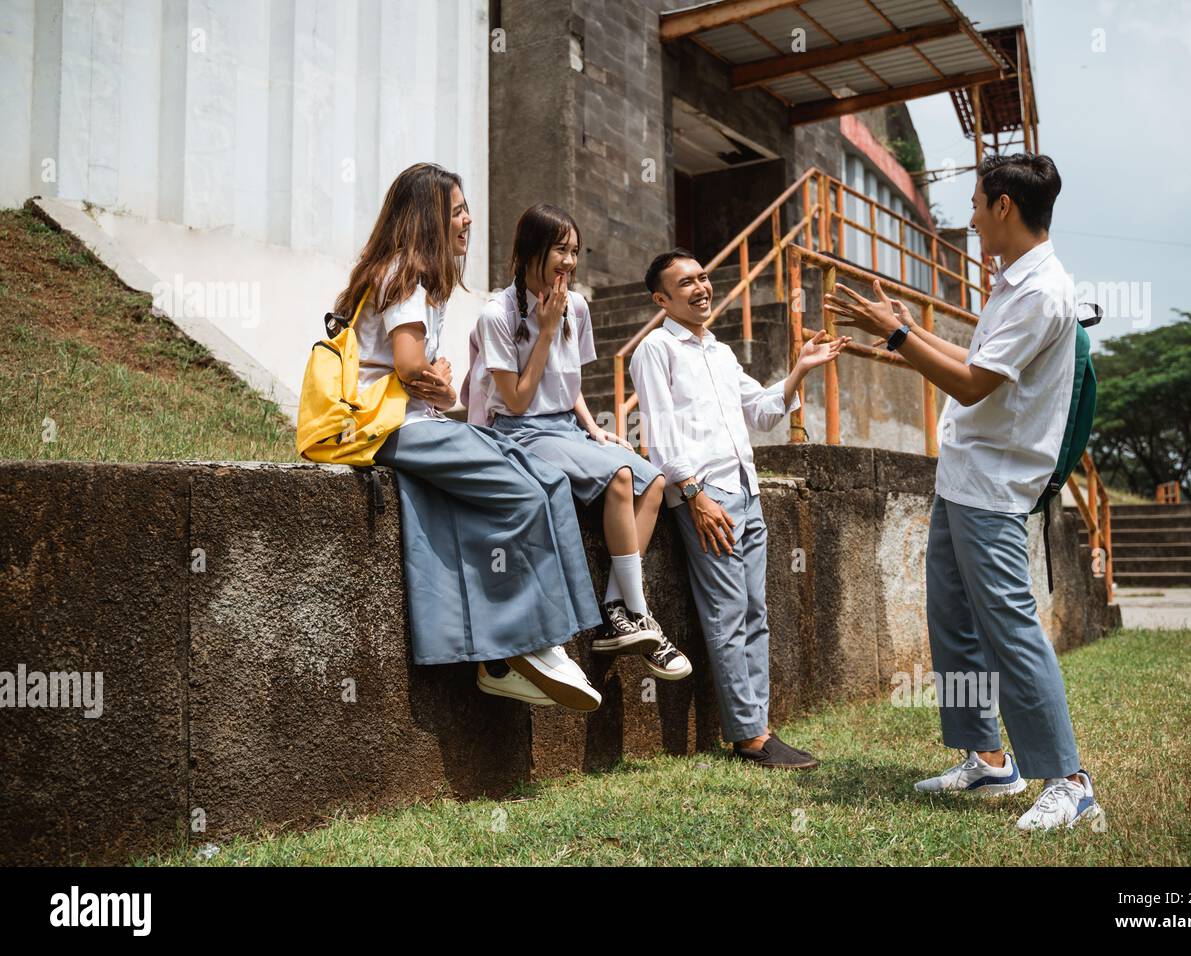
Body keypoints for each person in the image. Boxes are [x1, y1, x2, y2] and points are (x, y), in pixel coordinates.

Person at [823, 152, 1102, 830]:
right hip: (965, 473)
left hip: (998, 484)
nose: (972, 219)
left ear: (1003, 205)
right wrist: (909, 333)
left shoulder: (1041, 291)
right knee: (953, 623)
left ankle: (1068, 780)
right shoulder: (1014, 282)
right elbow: (978, 366)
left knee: (1009, 627)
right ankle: (988, 759)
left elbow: (974, 385)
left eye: (977, 205)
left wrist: (895, 333)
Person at [341, 162, 602, 712]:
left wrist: (434, 382)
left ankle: (525, 649)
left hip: (417, 423)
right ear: (430, 218)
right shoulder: (404, 275)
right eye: (458, 210)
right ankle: (523, 644)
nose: (467, 220)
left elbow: (431, 381)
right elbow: (413, 369)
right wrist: (432, 378)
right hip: (384, 428)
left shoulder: (422, 285)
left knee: (550, 482)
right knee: (524, 491)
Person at [630, 249, 849, 770]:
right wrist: (693, 494)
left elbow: (765, 412)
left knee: (756, 613)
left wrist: (798, 370)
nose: (700, 288)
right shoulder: (656, 350)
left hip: (746, 492)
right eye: (685, 283)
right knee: (728, 615)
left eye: (704, 277)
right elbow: (659, 432)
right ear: (661, 299)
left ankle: (760, 727)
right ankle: (749, 736)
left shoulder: (721, 353)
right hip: (708, 495)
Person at [469, 204, 691, 681]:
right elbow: (519, 400)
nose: (569, 262)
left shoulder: (579, 305)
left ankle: (616, 611)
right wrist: (546, 331)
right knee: (620, 477)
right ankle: (640, 612)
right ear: (531, 250)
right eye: (559, 250)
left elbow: (569, 386)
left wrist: (593, 428)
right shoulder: (498, 314)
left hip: (567, 429)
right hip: (520, 433)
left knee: (653, 481)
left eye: (574, 251)